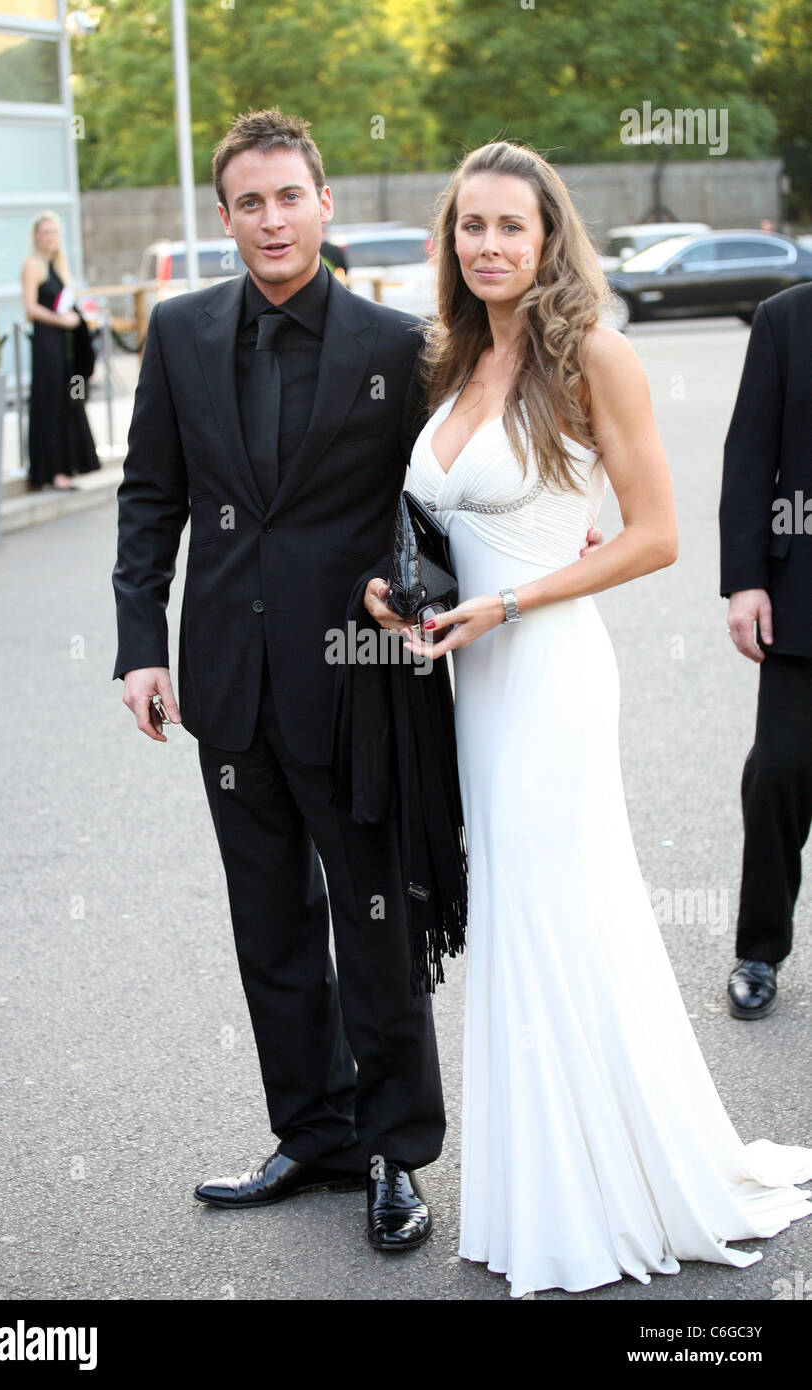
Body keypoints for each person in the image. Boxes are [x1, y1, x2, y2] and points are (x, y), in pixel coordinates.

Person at [364, 139, 812, 1297]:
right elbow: (433, 523)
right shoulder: (450, 359)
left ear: (550, 234)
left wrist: (510, 597)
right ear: (449, 240)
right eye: (470, 225)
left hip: (549, 673)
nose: (489, 244)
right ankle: (541, 1182)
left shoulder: (591, 357)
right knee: (519, 920)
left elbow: (654, 534)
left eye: (511, 225)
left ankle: (600, 1189)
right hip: (473, 681)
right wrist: (392, 592)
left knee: (560, 914)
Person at [112, 108, 447, 1252]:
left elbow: (434, 512)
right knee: (270, 924)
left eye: (288, 196)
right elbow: (148, 496)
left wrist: (412, 593)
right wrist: (138, 644)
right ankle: (311, 1133)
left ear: (324, 202)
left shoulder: (396, 345)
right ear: (223, 217)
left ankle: (395, 1153)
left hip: (353, 686)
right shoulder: (181, 332)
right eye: (247, 201)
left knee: (373, 927)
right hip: (226, 683)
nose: (270, 218)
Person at [720, 282, 812, 1019]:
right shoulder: (786, 319)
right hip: (802, 590)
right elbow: (750, 454)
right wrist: (745, 581)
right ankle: (760, 948)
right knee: (780, 770)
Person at [21, 210, 99, 491]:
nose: (51, 238)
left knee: (68, 401)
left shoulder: (58, 265)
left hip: (63, 344)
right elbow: (30, 308)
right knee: (50, 403)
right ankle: (50, 471)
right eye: (46, 232)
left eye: (54, 232)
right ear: (36, 236)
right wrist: (62, 320)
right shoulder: (32, 265)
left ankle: (68, 465)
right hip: (46, 344)